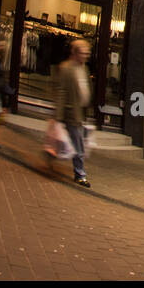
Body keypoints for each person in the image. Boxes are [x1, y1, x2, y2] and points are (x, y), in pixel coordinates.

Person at [55, 39, 92, 187]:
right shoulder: (66, 68)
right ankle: (80, 174)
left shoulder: (84, 68)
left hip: (81, 113)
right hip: (71, 112)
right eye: (83, 53)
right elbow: (61, 92)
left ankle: (50, 156)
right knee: (78, 145)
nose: (86, 56)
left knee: (75, 142)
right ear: (75, 53)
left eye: (87, 53)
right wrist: (58, 115)